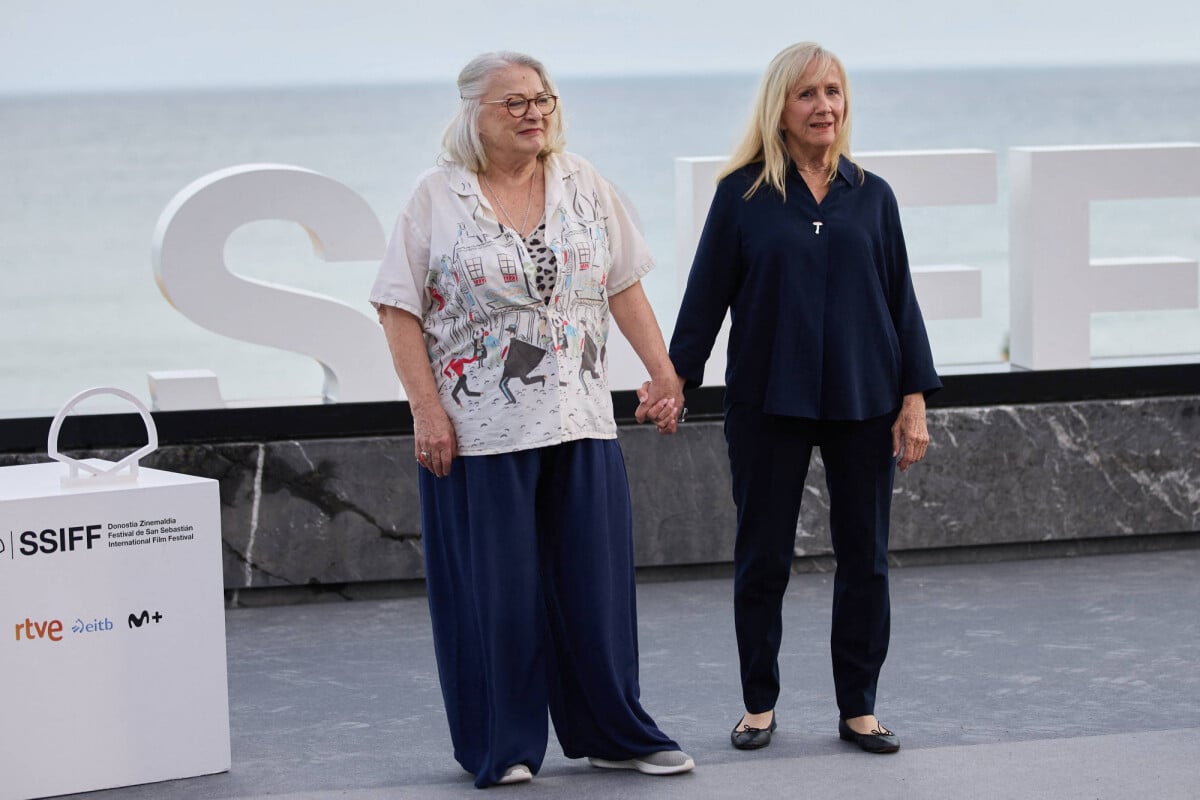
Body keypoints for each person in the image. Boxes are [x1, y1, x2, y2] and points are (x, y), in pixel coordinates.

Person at [370, 51, 692, 788]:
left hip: (581, 420)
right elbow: (397, 307)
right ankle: (503, 746)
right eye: (512, 102)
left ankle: (615, 732)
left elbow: (624, 286)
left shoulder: (584, 184)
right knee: (498, 600)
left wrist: (662, 370)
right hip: (480, 432)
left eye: (540, 99)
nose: (532, 113)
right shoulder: (436, 197)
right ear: (472, 114)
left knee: (596, 595)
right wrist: (428, 412)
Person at [645, 41, 941, 754]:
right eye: (808, 94)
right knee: (763, 557)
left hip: (865, 399)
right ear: (780, 107)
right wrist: (673, 379)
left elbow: (900, 300)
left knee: (865, 557)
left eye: (834, 92)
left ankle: (859, 709)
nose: (824, 107)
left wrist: (914, 399)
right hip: (766, 403)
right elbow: (705, 298)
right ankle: (758, 705)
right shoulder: (742, 195)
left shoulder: (873, 195)